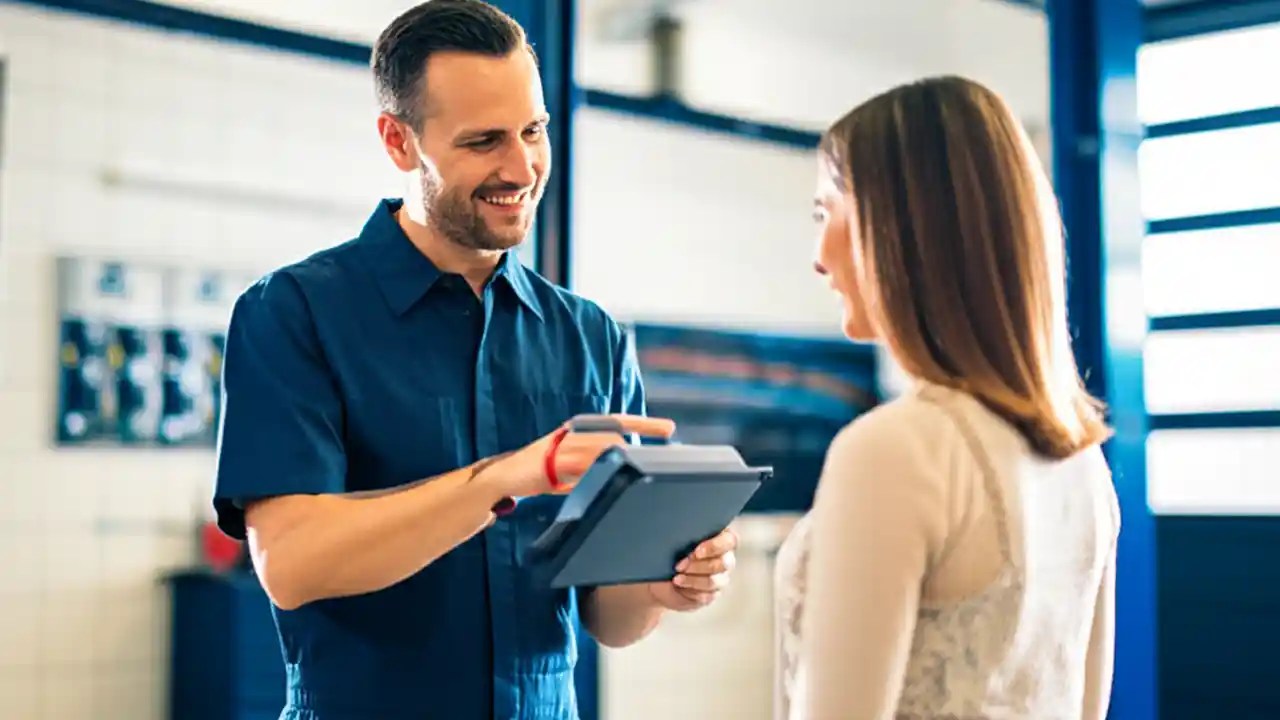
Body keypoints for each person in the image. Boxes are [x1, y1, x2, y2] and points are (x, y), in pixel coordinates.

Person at [211, 2, 738, 718]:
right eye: (485, 140)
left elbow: (609, 621)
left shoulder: (592, 337)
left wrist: (666, 583)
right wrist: (514, 474)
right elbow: (293, 565)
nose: (521, 167)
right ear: (398, 142)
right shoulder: (294, 313)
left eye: (534, 130)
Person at [774, 76, 1120, 720]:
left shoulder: (893, 449)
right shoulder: (1083, 461)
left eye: (829, 213)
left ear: (906, 226)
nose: (820, 257)